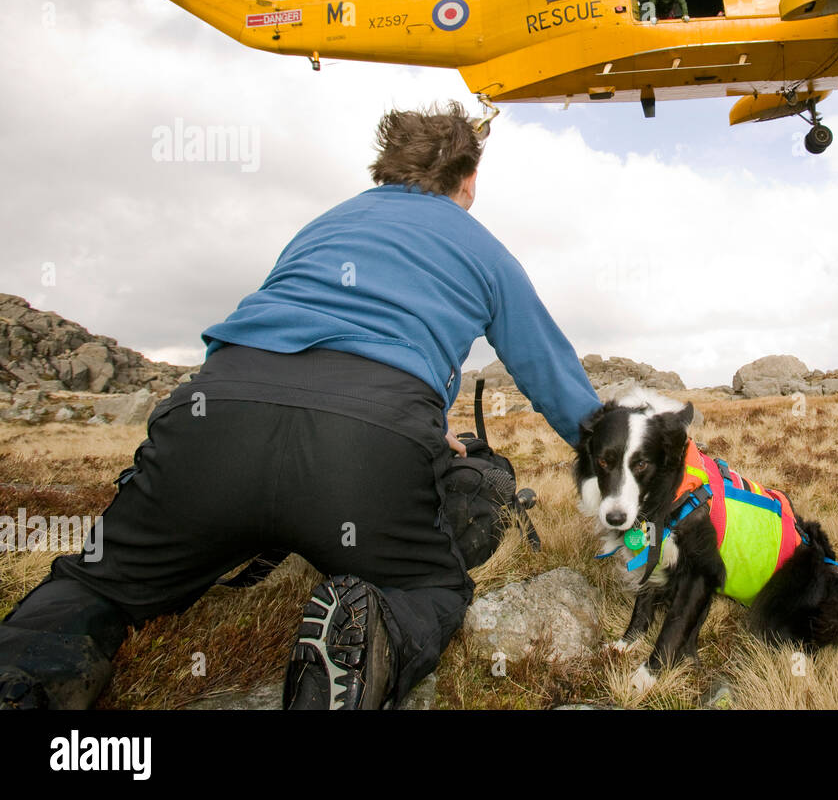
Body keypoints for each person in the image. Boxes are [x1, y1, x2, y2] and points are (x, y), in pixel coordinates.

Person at [0, 102, 601, 710]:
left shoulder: (324, 226)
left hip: (215, 418)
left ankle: (23, 678)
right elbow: (554, 378)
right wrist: (635, 464)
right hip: (368, 447)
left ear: (387, 170)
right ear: (468, 179)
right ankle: (371, 635)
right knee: (429, 589)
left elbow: (283, 337)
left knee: (97, 582)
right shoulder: (485, 249)